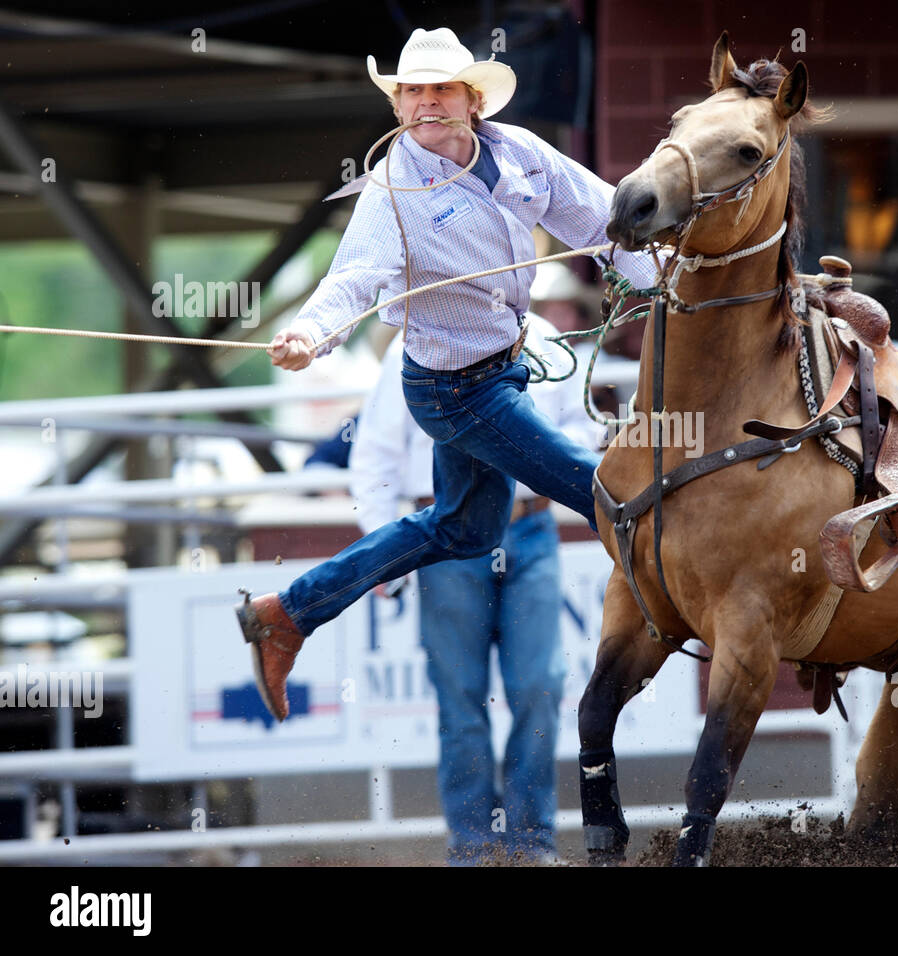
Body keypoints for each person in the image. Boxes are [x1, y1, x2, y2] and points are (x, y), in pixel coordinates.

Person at [235, 26, 654, 726]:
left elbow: (599, 218)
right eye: (414, 91)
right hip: (455, 391)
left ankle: (289, 613)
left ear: (472, 101)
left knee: (463, 531)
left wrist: (666, 278)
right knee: (602, 493)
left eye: (440, 89)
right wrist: (311, 334)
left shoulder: (519, 153)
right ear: (399, 107)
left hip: (500, 370)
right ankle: (699, 598)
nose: (427, 102)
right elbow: (354, 279)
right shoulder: (391, 191)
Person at [351, 316, 601, 864]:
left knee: (536, 686)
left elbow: (583, 431)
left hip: (515, 528)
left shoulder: (537, 335)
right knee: (463, 697)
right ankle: (478, 846)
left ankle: (523, 844)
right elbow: (375, 453)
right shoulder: (422, 342)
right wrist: (385, 556)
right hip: (463, 531)